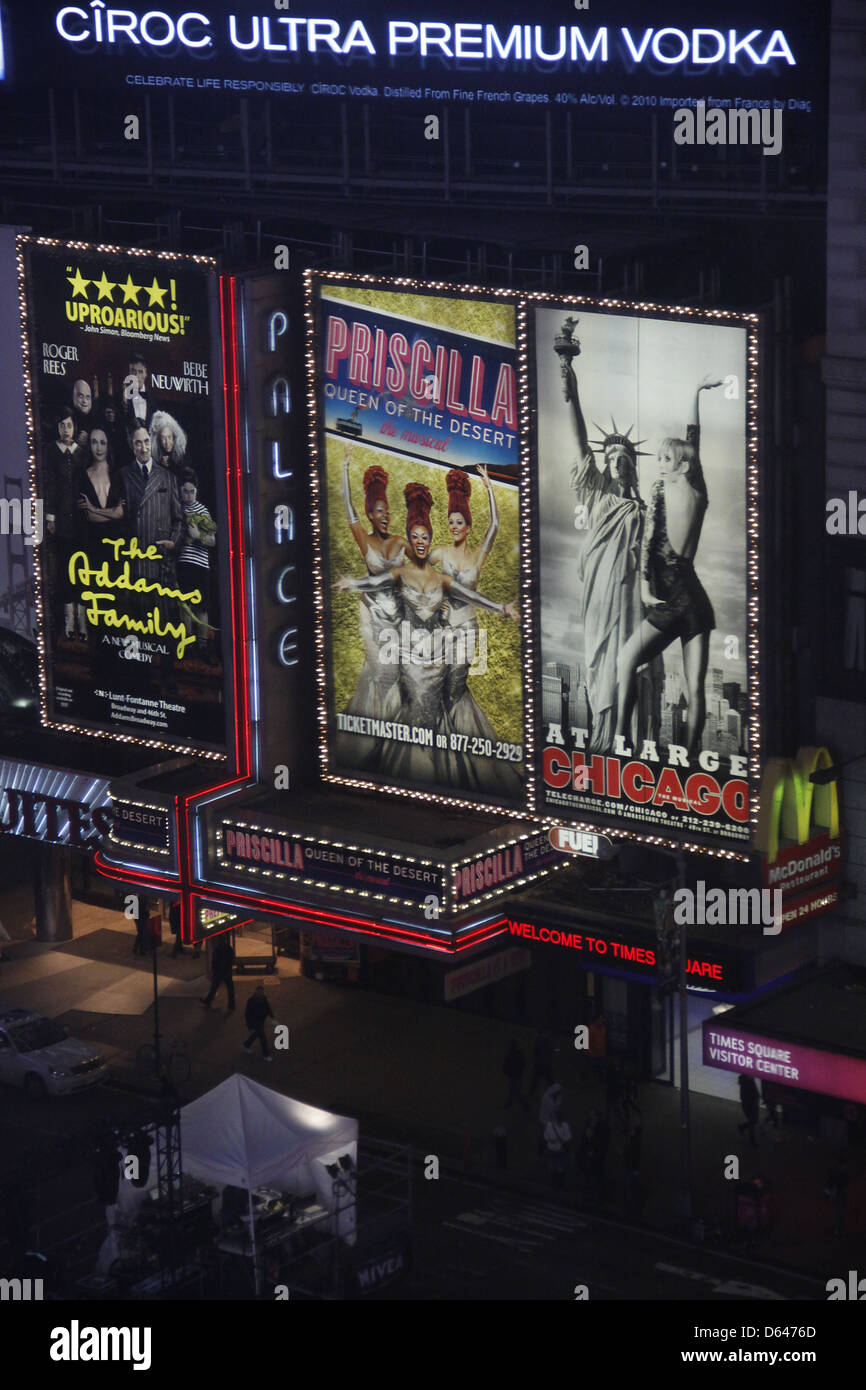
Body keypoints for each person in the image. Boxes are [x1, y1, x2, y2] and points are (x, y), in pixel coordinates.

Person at [334, 482, 518, 785]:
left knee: (448, 700)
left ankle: (449, 767)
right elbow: (375, 584)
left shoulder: (444, 576)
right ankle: (408, 771)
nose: (421, 541)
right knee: (412, 706)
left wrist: (501, 608)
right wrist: (352, 585)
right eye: (416, 537)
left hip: (441, 649)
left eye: (425, 537)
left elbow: (472, 597)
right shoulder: (402, 571)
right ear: (411, 539)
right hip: (410, 651)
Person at [614, 375, 722, 760]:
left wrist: (644, 586)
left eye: (664, 458)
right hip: (694, 600)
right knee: (695, 689)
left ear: (680, 463)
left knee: (625, 660)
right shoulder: (698, 491)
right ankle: (690, 760)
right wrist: (694, 393)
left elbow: (649, 545)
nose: (658, 464)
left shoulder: (667, 491)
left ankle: (620, 743)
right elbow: (695, 438)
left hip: (670, 599)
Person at [560, 339, 655, 754]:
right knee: (601, 658)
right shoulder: (598, 494)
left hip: (631, 590)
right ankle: (600, 736)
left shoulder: (642, 506)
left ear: (631, 463)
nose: (616, 458)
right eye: (611, 454)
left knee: (628, 660)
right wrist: (572, 392)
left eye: (623, 455)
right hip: (599, 589)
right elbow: (580, 440)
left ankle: (622, 737)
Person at [431, 467, 521, 796]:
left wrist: (488, 488)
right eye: (451, 521)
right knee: (435, 690)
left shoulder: (477, 558)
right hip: (439, 630)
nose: (454, 526)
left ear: (468, 526)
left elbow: (495, 525)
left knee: (454, 692)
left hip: (465, 629)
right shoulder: (439, 552)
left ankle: (460, 761)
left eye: (460, 522)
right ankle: (441, 758)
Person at [336, 453, 406, 766]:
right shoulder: (364, 540)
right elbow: (349, 512)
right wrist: (345, 469)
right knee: (377, 674)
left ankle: (395, 737)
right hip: (373, 614)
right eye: (379, 511)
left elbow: (421, 568)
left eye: (387, 511)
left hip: (400, 617)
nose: (385, 516)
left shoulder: (402, 542)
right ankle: (372, 739)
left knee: (398, 675)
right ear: (370, 513)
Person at [120, 424, 184, 631]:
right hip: (136, 558)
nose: (143, 447)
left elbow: (179, 519)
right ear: (132, 446)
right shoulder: (123, 475)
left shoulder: (168, 477)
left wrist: (172, 543)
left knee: (164, 625)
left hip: (161, 559)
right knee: (140, 626)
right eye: (138, 443)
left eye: (146, 441)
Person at [44, 406, 87, 642]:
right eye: (62, 425)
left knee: (79, 570)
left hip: (79, 522)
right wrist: (50, 516)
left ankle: (82, 622)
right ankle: (67, 623)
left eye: (69, 425)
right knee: (62, 572)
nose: (66, 429)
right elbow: (49, 484)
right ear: (57, 427)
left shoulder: (81, 452)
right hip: (59, 521)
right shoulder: (51, 451)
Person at [176, 471, 217, 659]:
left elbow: (212, 541)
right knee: (184, 606)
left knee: (201, 608)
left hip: (200, 564)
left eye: (191, 491)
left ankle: (202, 646)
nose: (188, 495)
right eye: (185, 491)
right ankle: (188, 643)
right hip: (182, 563)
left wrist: (197, 536)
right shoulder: (177, 508)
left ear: (196, 491)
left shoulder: (202, 510)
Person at [150, 410, 189, 482]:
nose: (167, 442)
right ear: (158, 440)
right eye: (163, 438)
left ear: (174, 437)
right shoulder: (154, 457)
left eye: (169, 437)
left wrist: (172, 466)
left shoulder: (183, 456)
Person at [123, 353, 159, 429]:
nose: (136, 376)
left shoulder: (155, 401)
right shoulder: (122, 398)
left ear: (145, 374)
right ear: (129, 373)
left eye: (140, 372)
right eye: (133, 371)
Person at [201, 934, 235, 1011]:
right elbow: (231, 959)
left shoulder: (217, 949)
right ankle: (231, 1005)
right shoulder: (229, 949)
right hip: (227, 971)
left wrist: (214, 970)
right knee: (230, 989)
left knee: (214, 987)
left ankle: (208, 1001)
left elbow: (214, 961)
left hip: (219, 971)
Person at [543, 1097, 571, 1189]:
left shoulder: (563, 1125)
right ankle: (555, 1184)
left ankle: (557, 1184)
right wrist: (551, 1140)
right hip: (553, 1148)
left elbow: (567, 1137)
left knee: (558, 1166)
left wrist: (555, 1139)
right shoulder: (550, 1125)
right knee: (553, 1166)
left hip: (558, 1149)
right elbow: (546, 1136)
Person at [243, 984, 274, 1060]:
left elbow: (267, 1007)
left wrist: (272, 1016)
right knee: (263, 1038)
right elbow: (247, 1015)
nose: (260, 994)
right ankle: (266, 1055)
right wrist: (250, 1027)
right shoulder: (251, 1001)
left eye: (261, 992)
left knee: (256, 1034)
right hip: (255, 1022)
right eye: (259, 992)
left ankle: (246, 1045)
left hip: (260, 1021)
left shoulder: (263, 998)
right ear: (256, 992)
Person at [825, 1159, 849, 1238]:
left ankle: (838, 1229)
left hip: (840, 1195)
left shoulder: (842, 1175)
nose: (844, 1167)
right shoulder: (837, 1175)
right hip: (837, 1195)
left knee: (839, 1213)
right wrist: (828, 1194)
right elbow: (829, 1185)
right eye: (843, 1166)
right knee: (837, 1213)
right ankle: (837, 1229)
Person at [503, 1038, 528, 1112]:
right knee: (514, 1090)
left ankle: (523, 1104)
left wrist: (506, 1072)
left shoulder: (510, 1054)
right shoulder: (520, 1054)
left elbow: (506, 1065)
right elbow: (523, 1063)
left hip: (513, 1075)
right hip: (517, 1074)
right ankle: (510, 1103)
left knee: (515, 1090)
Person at [529, 1029, 556, 1095]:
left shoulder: (540, 1041)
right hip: (544, 1064)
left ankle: (531, 1093)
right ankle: (555, 1091)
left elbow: (535, 1051)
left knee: (537, 1079)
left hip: (541, 1063)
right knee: (547, 1079)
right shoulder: (546, 1041)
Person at [738, 1072, 760, 1148]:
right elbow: (754, 1093)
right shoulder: (749, 1083)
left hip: (749, 1104)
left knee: (753, 1120)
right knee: (753, 1120)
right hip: (751, 1104)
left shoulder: (745, 1083)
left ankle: (742, 1127)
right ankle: (751, 1139)